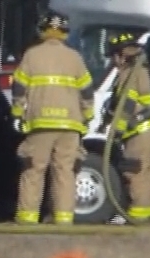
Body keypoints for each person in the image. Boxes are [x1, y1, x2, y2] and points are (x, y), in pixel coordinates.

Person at [12, 13, 95, 225]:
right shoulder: (75, 57)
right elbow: (86, 91)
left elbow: (19, 87)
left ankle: (27, 219)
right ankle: (64, 220)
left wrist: (17, 113)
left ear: (42, 30)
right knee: (65, 172)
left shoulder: (32, 55)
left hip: (40, 124)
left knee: (34, 170)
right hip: (70, 125)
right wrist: (88, 116)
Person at [102, 32, 150, 224]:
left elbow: (126, 107)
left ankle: (138, 219)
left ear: (120, 54)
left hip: (141, 133)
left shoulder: (130, 73)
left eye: (113, 57)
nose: (113, 63)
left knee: (135, 173)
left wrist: (116, 132)